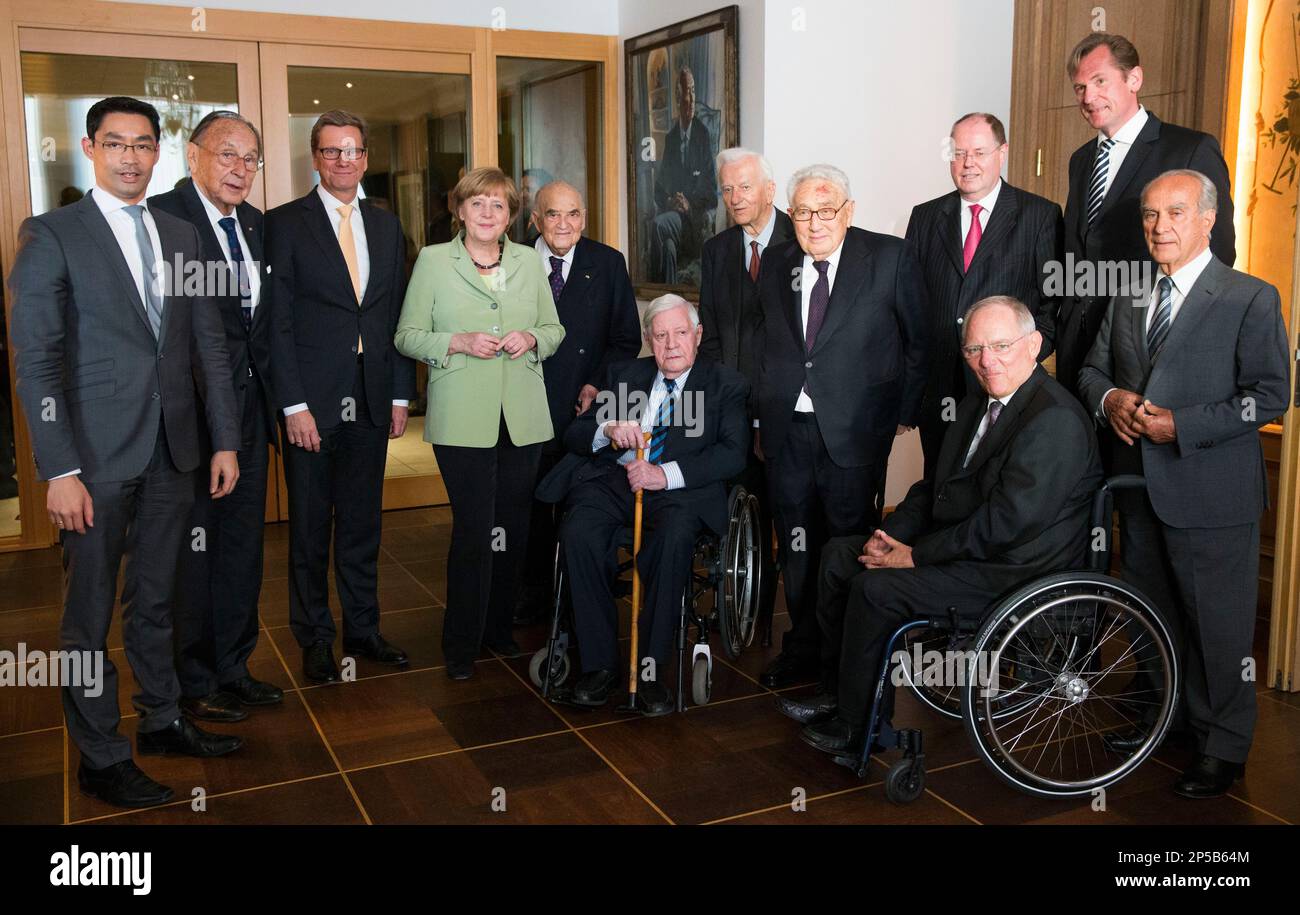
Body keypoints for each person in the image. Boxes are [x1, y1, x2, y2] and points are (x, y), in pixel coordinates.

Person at [9, 96, 243, 808]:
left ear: (159, 153)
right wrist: (59, 469)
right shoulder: (52, 234)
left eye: (144, 144)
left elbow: (207, 344)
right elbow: (36, 360)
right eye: (116, 144)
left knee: (155, 599)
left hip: (173, 452)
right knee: (87, 614)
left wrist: (225, 438)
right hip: (93, 462)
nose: (132, 157)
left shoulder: (180, 235)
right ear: (90, 149)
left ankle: (164, 717)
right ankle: (100, 754)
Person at [786, 296, 1102, 755]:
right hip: (964, 549)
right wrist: (894, 536)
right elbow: (933, 486)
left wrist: (913, 556)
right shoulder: (979, 402)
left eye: (1000, 345)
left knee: (877, 590)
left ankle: (861, 726)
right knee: (841, 555)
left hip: (1013, 571)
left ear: (1034, 345)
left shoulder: (1054, 420)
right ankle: (839, 695)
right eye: (974, 350)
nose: (986, 361)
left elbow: (1003, 526)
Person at [1078, 170, 1290, 798]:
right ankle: (1165, 720)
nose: (1158, 225)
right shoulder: (1130, 293)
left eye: (1174, 212)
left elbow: (1271, 397)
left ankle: (1224, 747)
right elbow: (1091, 370)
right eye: (1149, 214)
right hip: (1140, 491)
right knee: (1156, 619)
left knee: (1218, 630)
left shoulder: (1251, 297)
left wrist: (1184, 426)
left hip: (1212, 493)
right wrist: (1111, 398)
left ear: (1208, 219)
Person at [755, 163, 930, 688]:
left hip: (854, 434)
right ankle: (803, 647)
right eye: (803, 212)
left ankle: (843, 660)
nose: (814, 223)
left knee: (849, 546)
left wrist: (903, 413)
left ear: (848, 212)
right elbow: (770, 345)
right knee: (797, 544)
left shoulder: (889, 257)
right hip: (789, 431)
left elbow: (920, 343)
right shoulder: (776, 262)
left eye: (826, 211)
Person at [536, 296, 749, 714]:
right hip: (615, 482)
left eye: (681, 333)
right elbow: (576, 435)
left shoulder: (725, 384)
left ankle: (650, 670)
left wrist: (663, 474)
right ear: (649, 340)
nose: (671, 344)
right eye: (661, 335)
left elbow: (732, 454)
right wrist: (607, 428)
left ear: (698, 336)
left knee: (672, 542)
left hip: (679, 492)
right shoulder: (627, 375)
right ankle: (598, 667)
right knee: (578, 532)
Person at [395, 167, 565, 681]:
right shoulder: (432, 261)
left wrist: (533, 338)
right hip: (462, 419)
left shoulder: (527, 262)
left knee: (511, 530)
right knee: (473, 531)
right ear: (460, 209)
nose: (488, 213)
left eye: (498, 205)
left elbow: (554, 328)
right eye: (478, 203)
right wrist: (456, 341)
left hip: (523, 419)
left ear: (511, 215)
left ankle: (497, 631)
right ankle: (460, 643)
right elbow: (406, 335)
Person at [266, 110, 416, 685]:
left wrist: (402, 392)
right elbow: (275, 323)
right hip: (312, 400)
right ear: (316, 160)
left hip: (372, 394)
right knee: (309, 527)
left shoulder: (384, 226)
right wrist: (293, 405)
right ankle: (315, 639)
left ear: (366, 159)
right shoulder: (285, 224)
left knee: (362, 522)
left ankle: (363, 628)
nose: (343, 161)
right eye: (331, 152)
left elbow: (395, 316)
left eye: (352, 150)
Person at [150, 111, 283, 722]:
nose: (239, 168)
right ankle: (192, 678)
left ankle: (234, 665)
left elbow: (262, 327)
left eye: (250, 158)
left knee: (241, 545)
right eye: (226, 154)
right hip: (191, 415)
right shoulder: (160, 219)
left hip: (250, 411)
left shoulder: (255, 225)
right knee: (193, 549)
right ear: (193, 156)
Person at [1055, 32, 1235, 394]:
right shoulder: (1080, 160)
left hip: (1147, 342)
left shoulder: (1190, 148)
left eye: (1100, 81)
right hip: (1079, 345)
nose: (1088, 97)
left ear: (1134, 79)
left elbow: (1221, 251)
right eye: (1079, 88)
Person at [906, 112, 1062, 478]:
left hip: (1007, 385)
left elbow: (1053, 304)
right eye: (958, 153)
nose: (968, 163)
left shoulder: (1039, 215)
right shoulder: (925, 217)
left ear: (1002, 152)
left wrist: (1019, 360)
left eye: (978, 152)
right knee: (940, 484)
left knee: (996, 484)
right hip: (940, 386)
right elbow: (909, 304)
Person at [513, 180, 641, 624]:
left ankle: (577, 591)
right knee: (526, 504)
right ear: (535, 220)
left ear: (584, 219)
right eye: (552, 214)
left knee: (575, 499)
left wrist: (597, 385)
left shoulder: (607, 263)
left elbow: (625, 339)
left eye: (572, 215)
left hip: (582, 410)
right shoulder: (513, 262)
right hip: (522, 404)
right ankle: (531, 594)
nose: (563, 224)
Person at [698, 146, 792, 634]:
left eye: (745, 187)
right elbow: (710, 334)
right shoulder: (717, 251)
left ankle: (780, 622)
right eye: (728, 188)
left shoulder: (802, 240)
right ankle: (739, 611)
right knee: (736, 508)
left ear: (770, 191)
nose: (735, 198)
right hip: (732, 408)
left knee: (783, 514)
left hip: (785, 411)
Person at [649, 66, 718, 283]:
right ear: (677, 99)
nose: (689, 99)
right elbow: (659, 189)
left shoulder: (702, 135)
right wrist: (671, 201)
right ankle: (668, 294)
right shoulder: (671, 139)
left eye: (693, 92)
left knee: (658, 226)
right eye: (684, 94)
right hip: (675, 217)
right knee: (667, 248)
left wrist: (688, 203)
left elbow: (711, 191)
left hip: (694, 220)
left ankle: (655, 285)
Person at [512, 167, 553, 244]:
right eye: (521, 189)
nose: (522, 195)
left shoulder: (551, 221)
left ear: (544, 191)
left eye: (528, 189)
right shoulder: (520, 220)